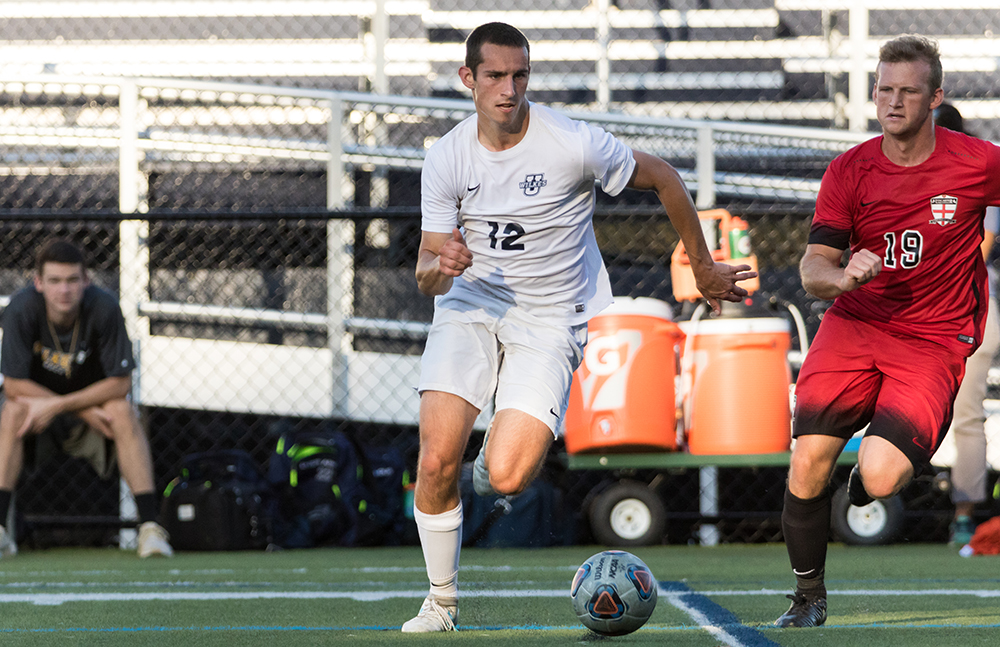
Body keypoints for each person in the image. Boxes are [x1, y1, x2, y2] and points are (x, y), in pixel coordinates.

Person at [404, 22, 755, 633]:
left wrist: (701, 266)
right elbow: (427, 273)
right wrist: (443, 267)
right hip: (468, 309)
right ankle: (441, 602)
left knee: (508, 476)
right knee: (435, 461)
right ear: (468, 80)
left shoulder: (572, 142)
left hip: (549, 321)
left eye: (520, 75)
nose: (509, 89)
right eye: (494, 76)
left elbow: (665, 178)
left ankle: (488, 465)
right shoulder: (446, 156)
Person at [776, 35, 1000, 628]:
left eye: (908, 91)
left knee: (878, 475)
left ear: (935, 98)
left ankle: (871, 477)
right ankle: (807, 597)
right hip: (855, 326)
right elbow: (812, 269)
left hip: (933, 340)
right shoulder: (849, 170)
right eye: (884, 90)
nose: (893, 102)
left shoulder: (976, 161)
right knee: (806, 463)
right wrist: (842, 276)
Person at [0, 239, 173, 558]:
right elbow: (13, 385)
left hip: (96, 422)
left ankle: (149, 528)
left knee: (122, 410)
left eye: (71, 280)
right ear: (38, 283)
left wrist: (63, 406)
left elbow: (119, 384)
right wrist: (81, 410)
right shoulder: (21, 309)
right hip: (40, 422)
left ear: (85, 281)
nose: (63, 290)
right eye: (54, 281)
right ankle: (0, 531)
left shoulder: (104, 307)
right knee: (11, 410)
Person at [933, 103, 1000, 547]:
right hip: (923, 307)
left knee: (967, 412)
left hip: (968, 304)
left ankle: (964, 513)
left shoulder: (979, 174)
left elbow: (982, 247)